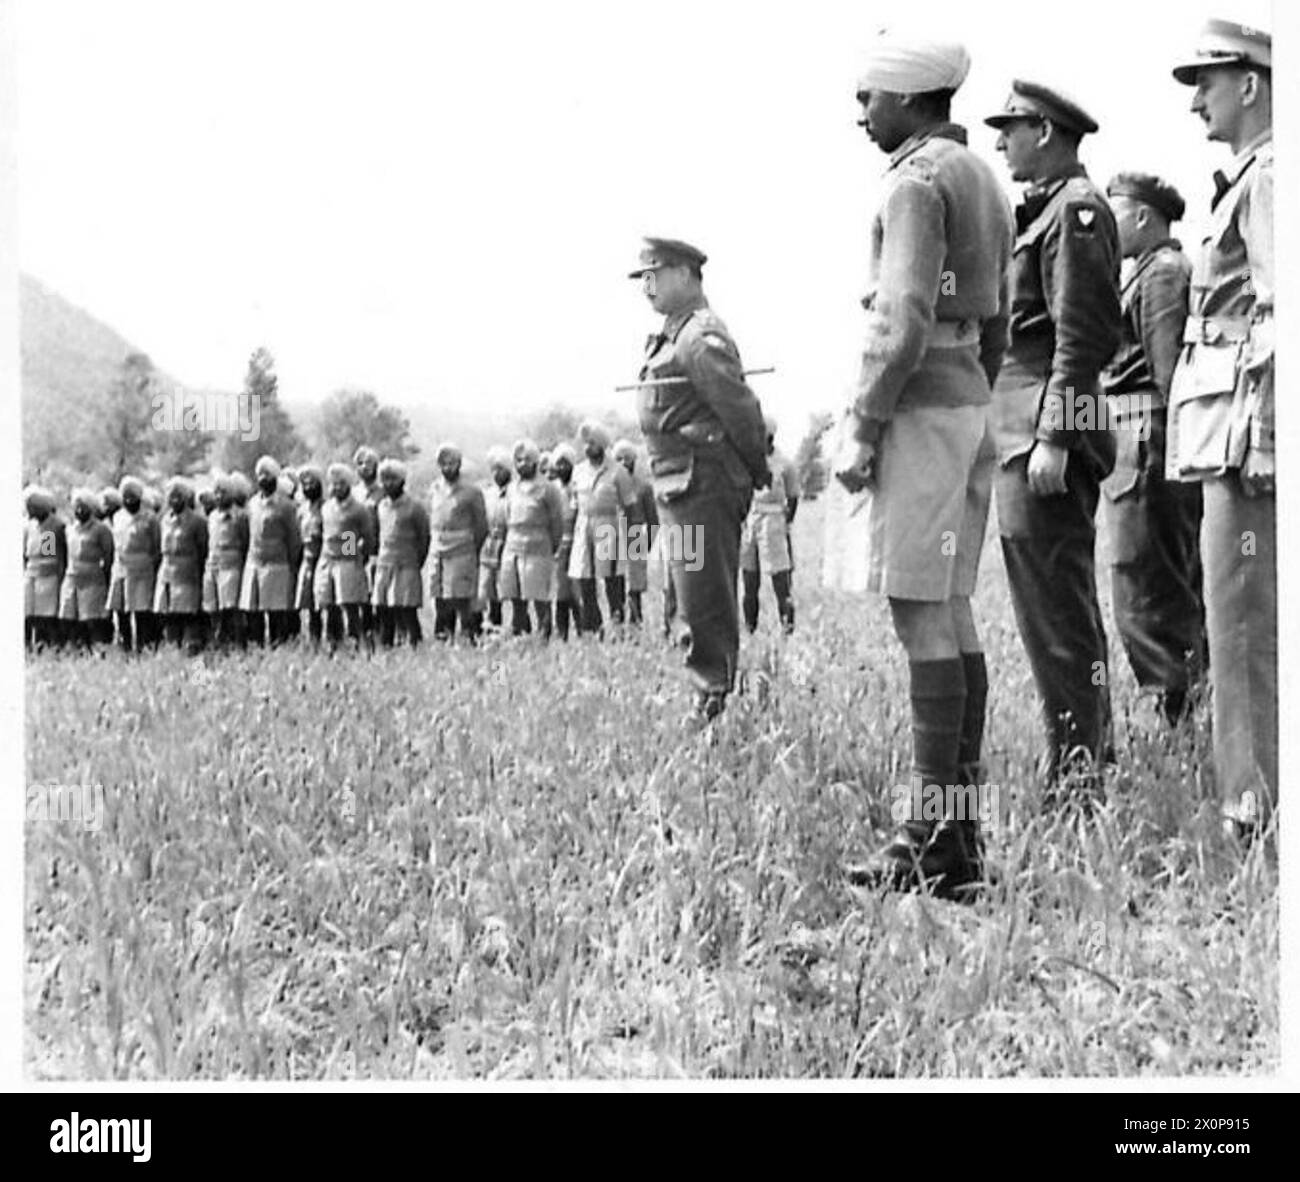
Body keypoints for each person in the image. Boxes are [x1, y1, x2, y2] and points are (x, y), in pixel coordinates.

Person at [830, 33, 1013, 895]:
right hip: (969, 394)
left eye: (870, 98)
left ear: (909, 99)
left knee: (920, 616)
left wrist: (865, 423)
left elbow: (900, 316)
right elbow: (1004, 317)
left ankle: (929, 842)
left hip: (920, 405)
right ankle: (958, 838)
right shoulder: (982, 175)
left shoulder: (914, 182)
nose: (862, 114)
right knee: (954, 611)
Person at [984, 79, 1121, 803]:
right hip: (1023, 428)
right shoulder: (1048, 213)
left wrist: (1057, 437)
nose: (1000, 141)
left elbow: (1082, 335)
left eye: (1011, 128)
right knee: (1055, 613)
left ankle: (1078, 777)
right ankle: (1086, 757)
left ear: (1045, 130)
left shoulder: (1078, 213)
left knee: (1058, 616)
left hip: (1043, 432)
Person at [1167, 20, 1274, 841]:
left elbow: (1280, 314)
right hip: (1229, 435)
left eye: (1209, 79)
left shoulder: (1270, 176)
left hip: (1244, 443)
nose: (1197, 97)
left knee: (1242, 630)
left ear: (1253, 83)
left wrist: (1264, 436)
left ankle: (1256, 810)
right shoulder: (1249, 177)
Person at [629, 237, 769, 724]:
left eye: (655, 273)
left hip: (702, 485)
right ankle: (706, 698)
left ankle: (715, 706)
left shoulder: (698, 335)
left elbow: (740, 408)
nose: (646, 285)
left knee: (706, 600)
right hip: (678, 488)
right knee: (688, 599)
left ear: (686, 273)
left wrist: (755, 469)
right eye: (642, 277)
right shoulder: (674, 334)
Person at [1102, 172, 1204, 727]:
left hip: (1147, 438)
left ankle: (1171, 722)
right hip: (1145, 438)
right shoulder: (1150, 272)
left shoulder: (1161, 275)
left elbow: (1168, 378)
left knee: (1145, 588)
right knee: (1161, 582)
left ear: (1143, 217)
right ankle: (1185, 715)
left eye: (1116, 212)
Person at [568, 419, 641, 635]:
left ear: (601, 444)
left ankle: (618, 625)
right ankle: (593, 627)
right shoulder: (578, 471)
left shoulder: (618, 472)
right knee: (584, 579)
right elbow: (573, 506)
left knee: (612, 579)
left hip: (608, 527)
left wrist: (635, 546)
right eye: (585, 444)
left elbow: (631, 510)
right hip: (583, 527)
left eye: (592, 443)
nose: (588, 448)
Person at [499, 438, 566, 638]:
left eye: (526, 460)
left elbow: (557, 525)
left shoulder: (548, 489)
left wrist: (550, 548)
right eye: (518, 460)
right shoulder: (511, 489)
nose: (521, 464)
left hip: (538, 548)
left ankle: (544, 636)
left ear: (536, 461)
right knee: (516, 598)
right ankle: (520, 636)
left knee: (539, 598)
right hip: (513, 547)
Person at [742, 414, 799, 634]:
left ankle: (787, 629)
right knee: (749, 580)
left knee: (780, 580)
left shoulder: (784, 463)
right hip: (751, 519)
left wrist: (785, 524)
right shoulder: (747, 461)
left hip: (774, 521)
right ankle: (749, 629)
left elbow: (793, 497)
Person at [241, 454, 302, 646]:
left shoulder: (286, 506)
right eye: (259, 474)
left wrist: (292, 564)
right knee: (253, 612)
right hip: (255, 563)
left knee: (277, 613)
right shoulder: (252, 504)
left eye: (267, 474)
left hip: (278, 564)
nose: (262, 479)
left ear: (275, 477)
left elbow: (294, 539)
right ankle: (257, 648)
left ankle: (279, 648)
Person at [429, 443, 488, 641]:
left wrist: (472, 547)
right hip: (437, 549)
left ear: (459, 464)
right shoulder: (435, 489)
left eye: (451, 463)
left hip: (462, 549)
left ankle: (469, 636)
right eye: (443, 464)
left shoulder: (471, 492)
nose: (447, 468)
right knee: (439, 596)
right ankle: (443, 636)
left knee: (461, 596)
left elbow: (481, 527)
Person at [317, 462, 376, 651]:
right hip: (327, 559)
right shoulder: (326, 508)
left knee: (349, 604)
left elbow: (367, 538)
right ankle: (333, 643)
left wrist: (357, 554)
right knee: (328, 604)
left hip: (348, 559)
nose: (336, 488)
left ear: (348, 484)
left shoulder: (358, 509)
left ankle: (355, 642)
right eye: (333, 484)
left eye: (341, 484)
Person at [373, 457, 430, 647]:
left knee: (406, 610)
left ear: (402, 480)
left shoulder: (414, 507)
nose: (388, 484)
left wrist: (415, 562)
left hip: (406, 564)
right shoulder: (381, 506)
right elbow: (370, 533)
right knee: (383, 610)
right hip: (383, 563)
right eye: (384, 479)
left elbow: (424, 538)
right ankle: (385, 647)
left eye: (393, 479)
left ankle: (414, 646)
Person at [154, 475, 208, 653]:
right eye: (171, 496)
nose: (174, 500)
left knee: (190, 621)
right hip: (167, 576)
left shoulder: (197, 522)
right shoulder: (164, 521)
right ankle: (173, 659)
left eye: (178, 496)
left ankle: (196, 665)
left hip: (188, 576)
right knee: (170, 621)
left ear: (186, 498)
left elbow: (203, 551)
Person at [108, 475, 162, 652]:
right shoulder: (117, 518)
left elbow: (156, 547)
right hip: (119, 569)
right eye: (125, 497)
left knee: (140, 611)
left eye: (132, 497)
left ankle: (143, 648)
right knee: (120, 611)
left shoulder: (150, 519)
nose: (129, 501)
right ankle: (124, 648)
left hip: (141, 570)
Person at [60, 488, 114, 648]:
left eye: (83, 507)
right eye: (76, 507)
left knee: (93, 619)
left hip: (93, 578)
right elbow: (55, 553)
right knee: (70, 617)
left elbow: (108, 555)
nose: (79, 510)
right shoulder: (68, 529)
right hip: (71, 577)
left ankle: (97, 651)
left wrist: (103, 573)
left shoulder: (101, 529)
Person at [612, 439, 657, 626]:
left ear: (634, 460)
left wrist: (646, 544)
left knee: (635, 584)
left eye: (627, 458)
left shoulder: (644, 486)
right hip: (611, 533)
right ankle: (617, 622)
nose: (623, 462)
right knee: (614, 581)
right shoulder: (608, 485)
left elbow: (653, 520)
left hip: (635, 534)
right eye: (619, 458)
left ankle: (635, 622)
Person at [203, 473, 249, 650]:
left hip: (232, 565)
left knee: (231, 608)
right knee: (213, 608)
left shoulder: (240, 516)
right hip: (213, 565)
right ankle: (219, 642)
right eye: (216, 492)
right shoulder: (212, 517)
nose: (219, 496)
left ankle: (238, 643)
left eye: (223, 492)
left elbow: (245, 542)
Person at [23, 485, 67, 650]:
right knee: (30, 613)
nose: (30, 512)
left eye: (32, 508)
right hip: (31, 575)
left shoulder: (52, 526)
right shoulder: (29, 526)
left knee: (45, 614)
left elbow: (50, 554)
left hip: (47, 576)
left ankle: (48, 646)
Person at [478, 446, 512, 632]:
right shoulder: (487, 493)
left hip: (508, 543)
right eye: (494, 469)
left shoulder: (514, 492)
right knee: (488, 589)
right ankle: (491, 625)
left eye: (501, 469)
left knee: (506, 588)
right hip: (489, 545)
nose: (497, 473)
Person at [549, 443, 580, 640]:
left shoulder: (579, 487)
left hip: (578, 545)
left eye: (565, 463)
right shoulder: (552, 490)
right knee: (561, 593)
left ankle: (584, 632)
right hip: (559, 548)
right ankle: (562, 635)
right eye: (558, 464)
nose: (562, 468)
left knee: (578, 593)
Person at [354, 446, 383, 642]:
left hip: (377, 551)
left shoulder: (382, 493)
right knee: (358, 595)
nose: (365, 468)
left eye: (369, 464)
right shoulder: (353, 493)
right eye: (360, 464)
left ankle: (380, 635)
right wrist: (348, 553)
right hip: (355, 552)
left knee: (377, 595)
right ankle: (360, 636)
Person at [295, 464, 326, 646]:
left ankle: (334, 639)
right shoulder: (302, 510)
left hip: (325, 558)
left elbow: (344, 535)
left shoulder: (328, 507)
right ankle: (313, 642)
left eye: (312, 483)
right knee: (309, 605)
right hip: (307, 559)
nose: (308, 487)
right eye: (304, 484)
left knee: (328, 603)